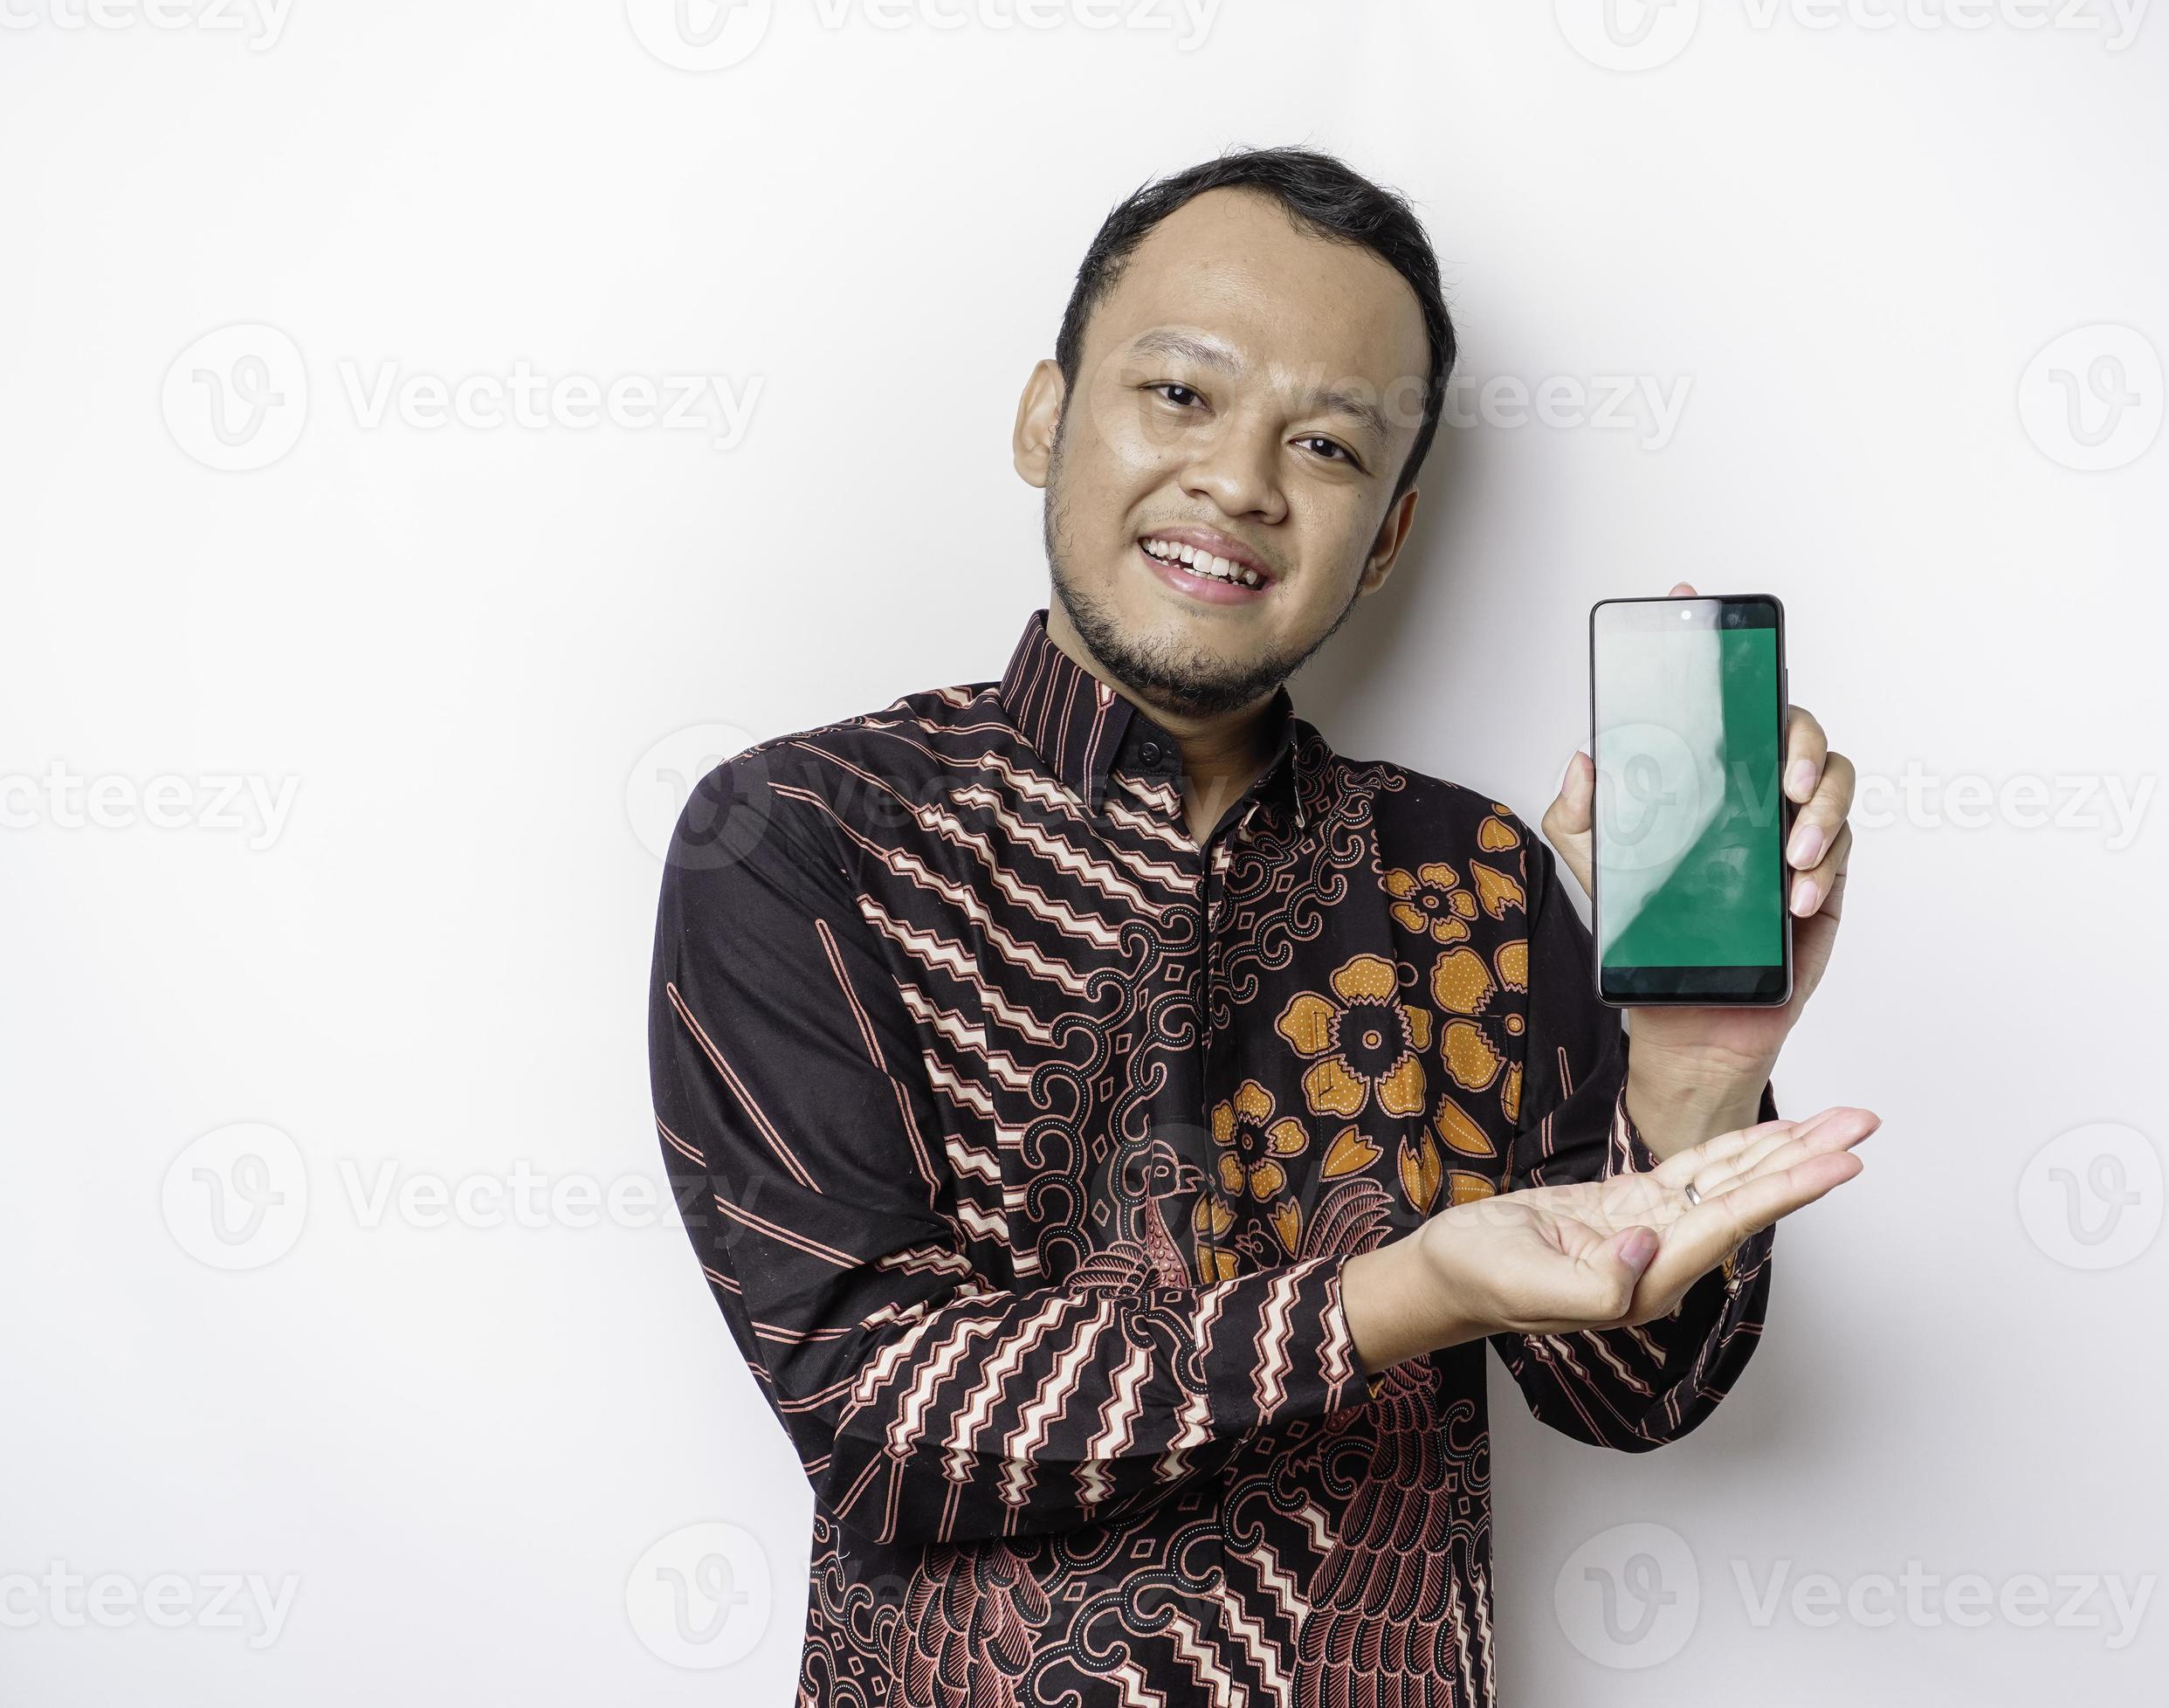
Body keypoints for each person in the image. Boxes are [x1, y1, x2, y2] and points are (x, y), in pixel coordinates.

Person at [645, 146, 1869, 1706]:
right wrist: (1397, 1298)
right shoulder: (805, 837)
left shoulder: (1477, 876)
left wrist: (1693, 1075)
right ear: (1044, 416)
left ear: (1393, 531)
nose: (1240, 481)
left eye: (1328, 445)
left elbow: (1629, 1390)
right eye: (1179, 393)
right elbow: (880, 1422)